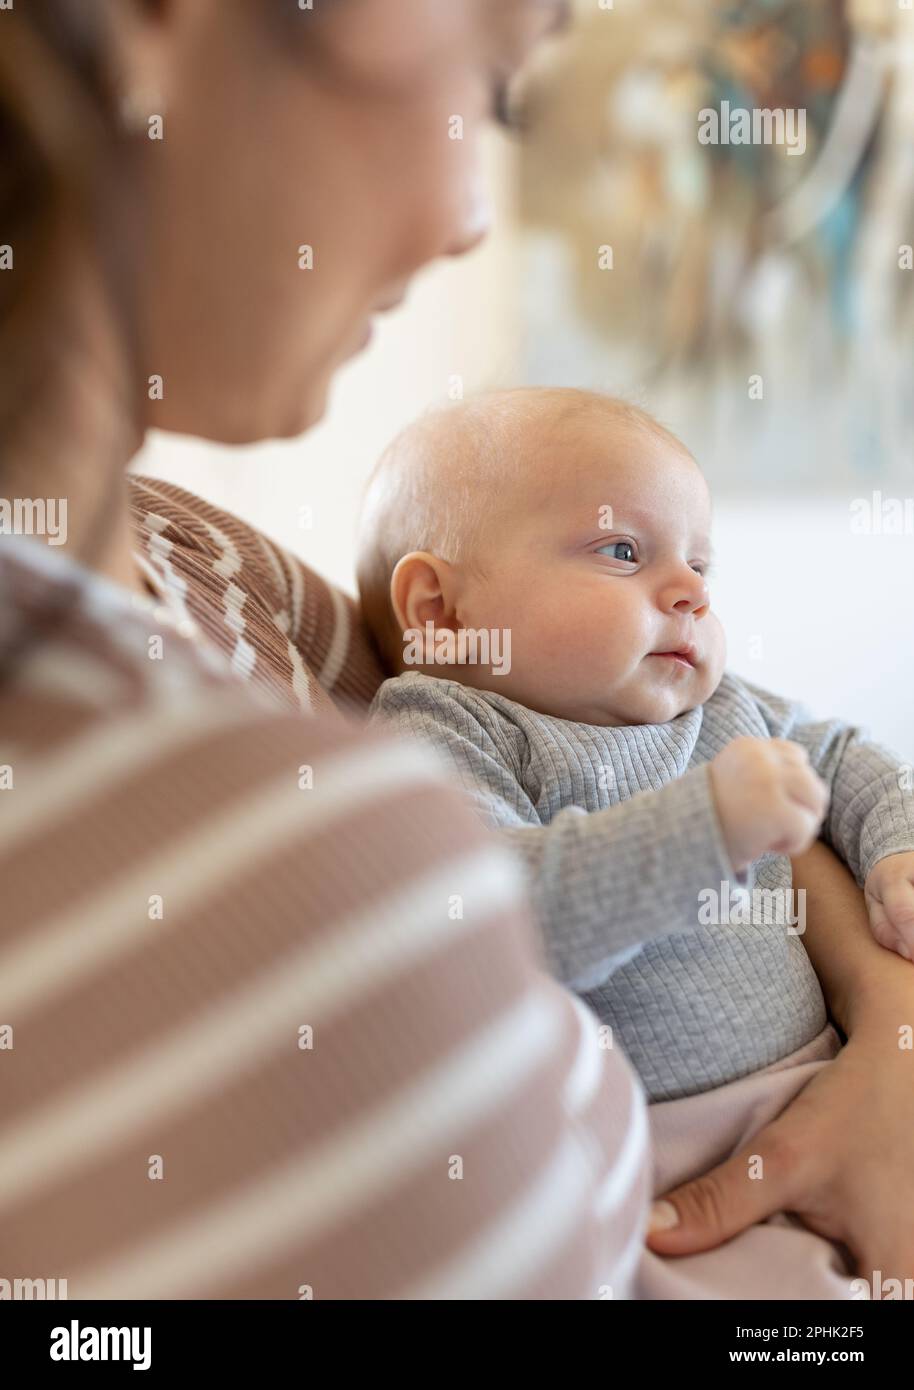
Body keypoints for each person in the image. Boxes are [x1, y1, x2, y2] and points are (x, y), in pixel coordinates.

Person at [0, 0, 911, 1299]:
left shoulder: (208, 563)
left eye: (694, 566)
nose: (473, 218)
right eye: (493, 86)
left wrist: (893, 1032)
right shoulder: (314, 819)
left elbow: (766, 760)